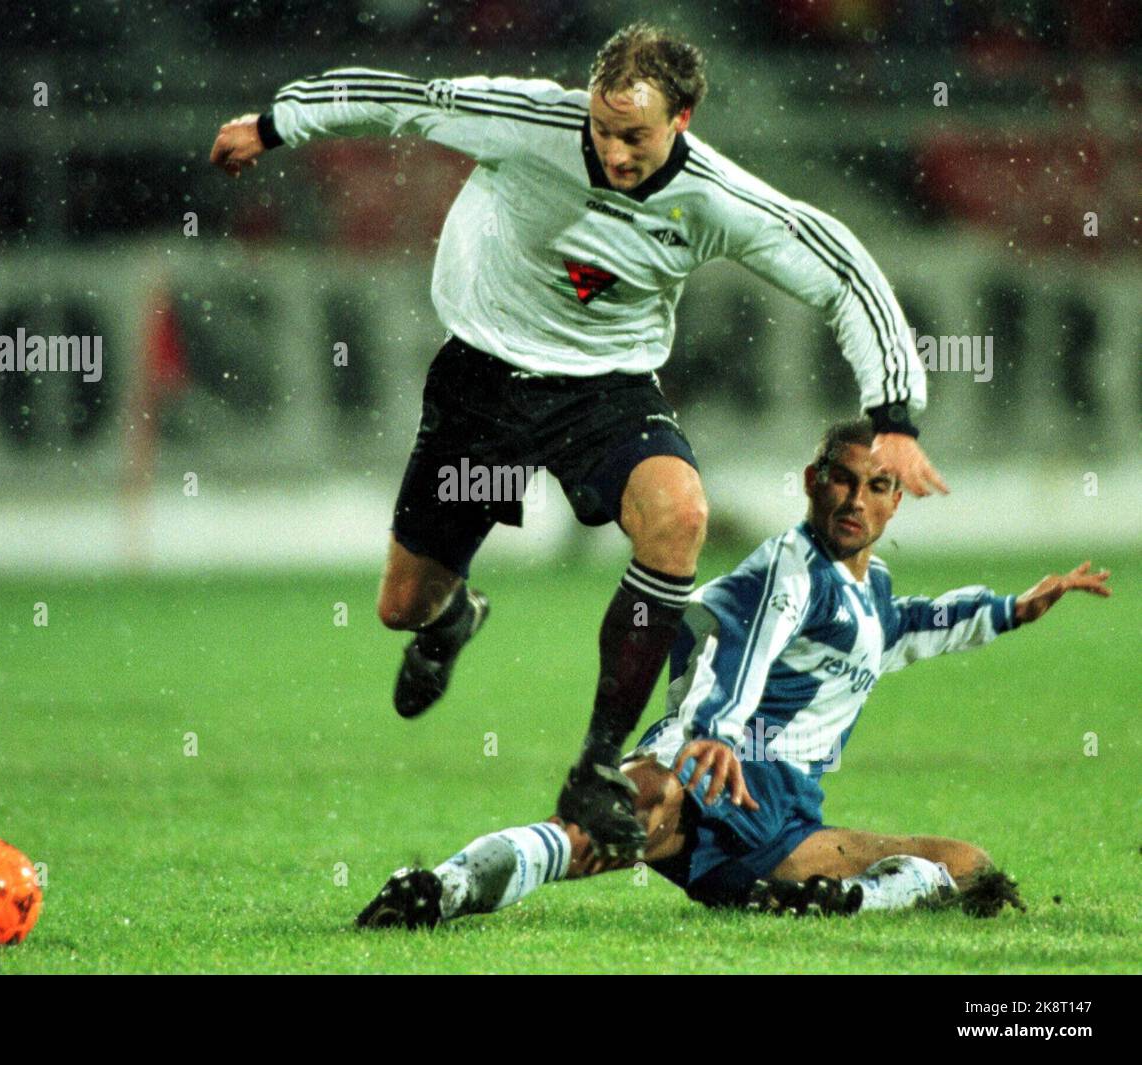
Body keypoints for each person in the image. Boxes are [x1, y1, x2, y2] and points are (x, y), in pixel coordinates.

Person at [209, 23, 947, 858]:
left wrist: (893, 414)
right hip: (482, 387)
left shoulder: (714, 198)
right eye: (602, 128)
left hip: (605, 394)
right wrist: (275, 123)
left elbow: (843, 272)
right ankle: (451, 618)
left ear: (684, 120)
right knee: (401, 605)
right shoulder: (528, 121)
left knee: (680, 514)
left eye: (634, 135)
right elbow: (400, 100)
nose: (613, 151)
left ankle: (595, 764)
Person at [354, 419, 1111, 927]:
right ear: (814, 481)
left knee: (967, 866)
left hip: (782, 823)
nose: (854, 499)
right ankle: (438, 889)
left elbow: (917, 625)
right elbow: (748, 635)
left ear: (897, 500)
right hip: (709, 770)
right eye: (842, 480)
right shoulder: (790, 563)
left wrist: (1014, 606)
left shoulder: (871, 596)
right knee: (594, 831)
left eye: (876, 486)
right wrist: (713, 732)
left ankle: (828, 899)